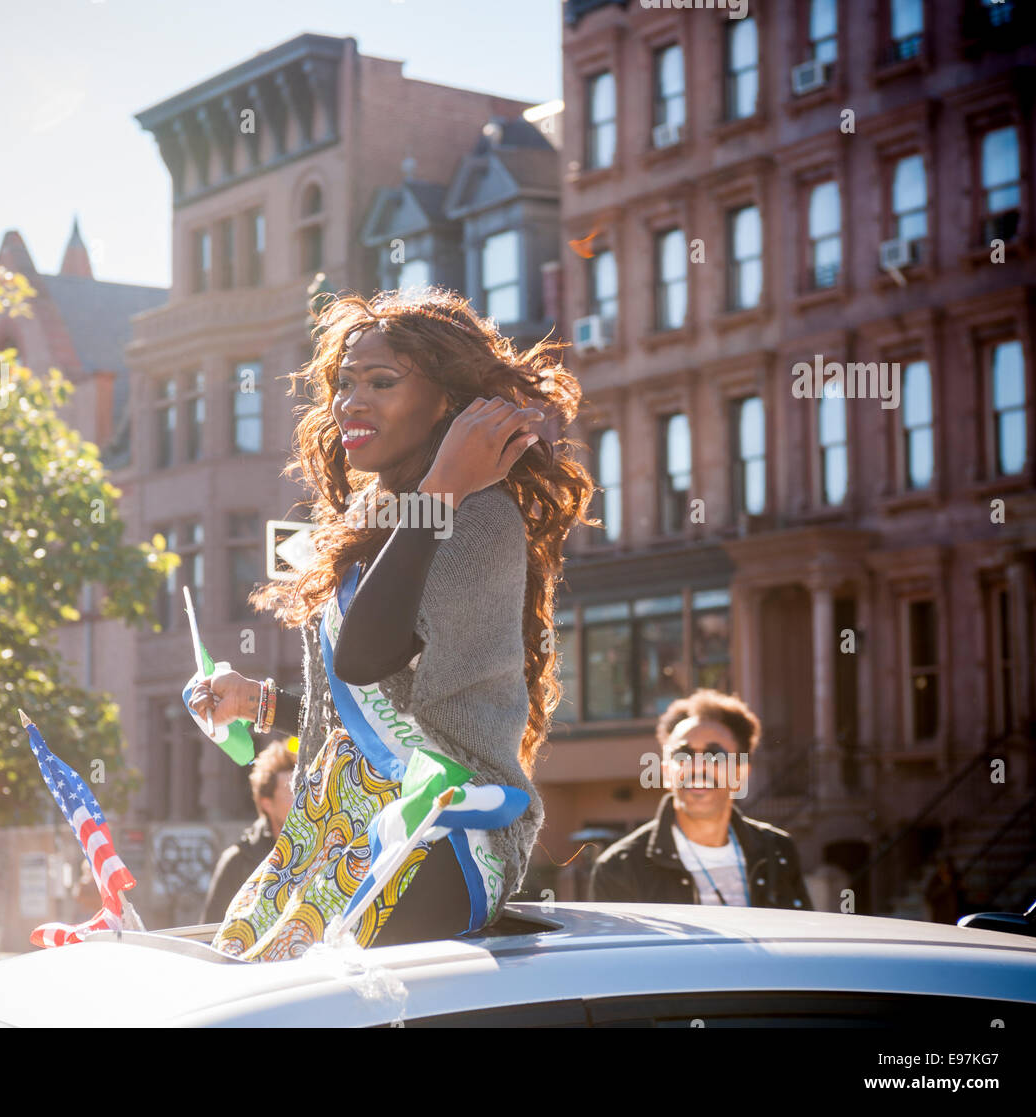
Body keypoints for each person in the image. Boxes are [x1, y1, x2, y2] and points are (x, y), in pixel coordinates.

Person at [188, 287, 593, 959]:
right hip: (333, 823)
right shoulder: (372, 516)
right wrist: (256, 701)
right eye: (345, 383)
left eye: (382, 381)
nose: (351, 401)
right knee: (241, 976)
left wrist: (442, 487)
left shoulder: (478, 517)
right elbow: (354, 715)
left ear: (445, 403)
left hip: (443, 828)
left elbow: (364, 659)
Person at [590, 689, 813, 910]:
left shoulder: (778, 851)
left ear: (740, 774)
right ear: (667, 772)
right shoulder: (620, 868)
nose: (697, 766)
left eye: (715, 755)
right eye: (683, 754)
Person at [201, 740, 295, 923]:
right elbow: (209, 931)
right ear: (267, 803)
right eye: (291, 793)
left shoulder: (317, 850)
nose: (300, 800)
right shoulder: (237, 861)